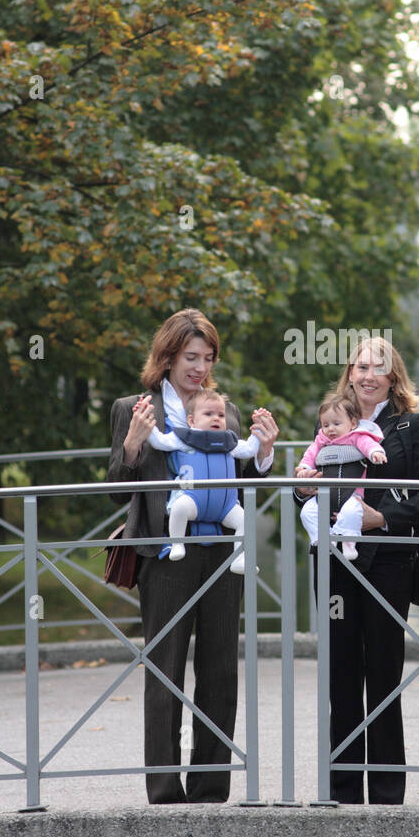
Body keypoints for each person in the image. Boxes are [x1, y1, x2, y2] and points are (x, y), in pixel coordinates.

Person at [108, 309, 278, 805]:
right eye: (190, 357)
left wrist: (264, 454)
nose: (199, 368)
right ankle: (163, 790)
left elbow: (243, 484)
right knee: (165, 668)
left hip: (222, 552)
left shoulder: (222, 405)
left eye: (207, 358)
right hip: (167, 553)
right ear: (166, 357)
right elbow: (118, 492)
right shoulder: (133, 408)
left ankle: (210, 786)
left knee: (221, 668)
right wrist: (134, 445)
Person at [296, 337, 419, 804]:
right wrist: (302, 491)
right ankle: (340, 791)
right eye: (360, 367)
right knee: (340, 675)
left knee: (382, 675)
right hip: (334, 563)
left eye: (378, 368)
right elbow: (308, 475)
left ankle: (385, 792)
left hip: (389, 564)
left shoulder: (410, 425)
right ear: (349, 372)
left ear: (393, 376)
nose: (368, 375)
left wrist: (386, 520)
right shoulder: (332, 418)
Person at [148, 388, 260, 569]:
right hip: (193, 500)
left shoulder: (229, 443)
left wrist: (258, 433)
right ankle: (177, 542)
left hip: (226, 506)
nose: (216, 418)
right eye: (208, 413)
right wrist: (147, 426)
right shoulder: (184, 439)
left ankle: (240, 559)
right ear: (191, 420)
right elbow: (159, 441)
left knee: (246, 520)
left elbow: (249, 449)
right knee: (178, 508)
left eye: (221, 415)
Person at [295, 392, 386, 561]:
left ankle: (348, 541)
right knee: (307, 512)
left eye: (336, 423)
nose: (330, 429)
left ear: (352, 423)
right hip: (323, 494)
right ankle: (321, 540)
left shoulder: (357, 436)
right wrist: (304, 468)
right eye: (325, 425)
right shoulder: (322, 440)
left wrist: (376, 452)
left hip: (351, 493)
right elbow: (311, 453)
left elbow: (368, 445)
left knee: (352, 512)